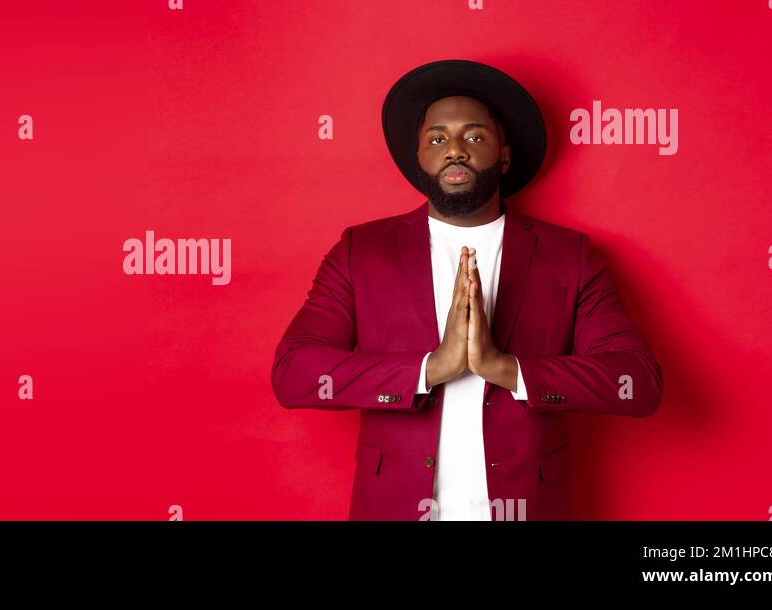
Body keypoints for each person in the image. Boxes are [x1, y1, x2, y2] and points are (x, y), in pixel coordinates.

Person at [270, 59, 663, 520]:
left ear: (504, 155)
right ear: (419, 157)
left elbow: (637, 383)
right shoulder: (362, 250)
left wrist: (509, 369)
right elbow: (293, 373)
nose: (454, 150)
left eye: (474, 137)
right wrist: (429, 368)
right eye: (437, 139)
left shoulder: (569, 256)